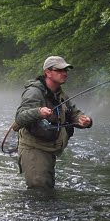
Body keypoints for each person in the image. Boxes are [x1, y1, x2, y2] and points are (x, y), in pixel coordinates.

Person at [13, 55, 93, 189]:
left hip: (49, 149)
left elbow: (73, 113)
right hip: (34, 149)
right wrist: (39, 112)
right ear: (48, 72)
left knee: (47, 189)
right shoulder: (34, 92)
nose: (64, 73)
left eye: (65, 70)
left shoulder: (60, 94)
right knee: (40, 192)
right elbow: (20, 117)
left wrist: (83, 120)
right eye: (59, 70)